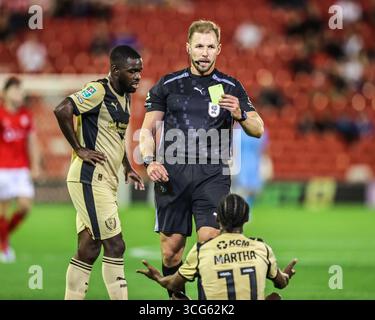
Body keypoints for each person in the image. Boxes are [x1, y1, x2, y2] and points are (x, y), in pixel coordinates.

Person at [139, 19, 264, 297]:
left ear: (218, 49)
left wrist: (241, 115)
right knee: (171, 251)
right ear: (188, 48)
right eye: (199, 46)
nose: (204, 52)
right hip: (172, 175)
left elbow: (258, 128)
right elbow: (146, 130)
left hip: (212, 174)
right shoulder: (168, 84)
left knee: (209, 241)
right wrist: (150, 161)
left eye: (210, 46)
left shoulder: (231, 86)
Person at [54, 45, 145, 300]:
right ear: (115, 70)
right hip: (90, 178)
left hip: (105, 180)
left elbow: (116, 135)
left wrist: (126, 165)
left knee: (88, 249)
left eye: (140, 70)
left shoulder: (125, 95)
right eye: (132, 71)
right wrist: (79, 148)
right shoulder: (98, 90)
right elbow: (62, 109)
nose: (138, 76)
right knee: (116, 245)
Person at [137, 193, 297, 300]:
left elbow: (173, 284)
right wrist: (287, 275)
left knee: (178, 298)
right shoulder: (261, 248)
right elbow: (281, 283)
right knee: (275, 297)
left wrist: (158, 278)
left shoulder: (202, 250)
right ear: (246, 219)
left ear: (218, 219)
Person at [0, 77, 41, 263]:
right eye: (15, 90)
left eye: (20, 90)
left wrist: (35, 165)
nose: (19, 93)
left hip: (21, 169)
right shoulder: (1, 114)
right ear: (5, 93)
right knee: (3, 209)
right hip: (3, 168)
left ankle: (2, 237)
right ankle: (4, 247)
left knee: (25, 207)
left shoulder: (26, 115)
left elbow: (32, 141)